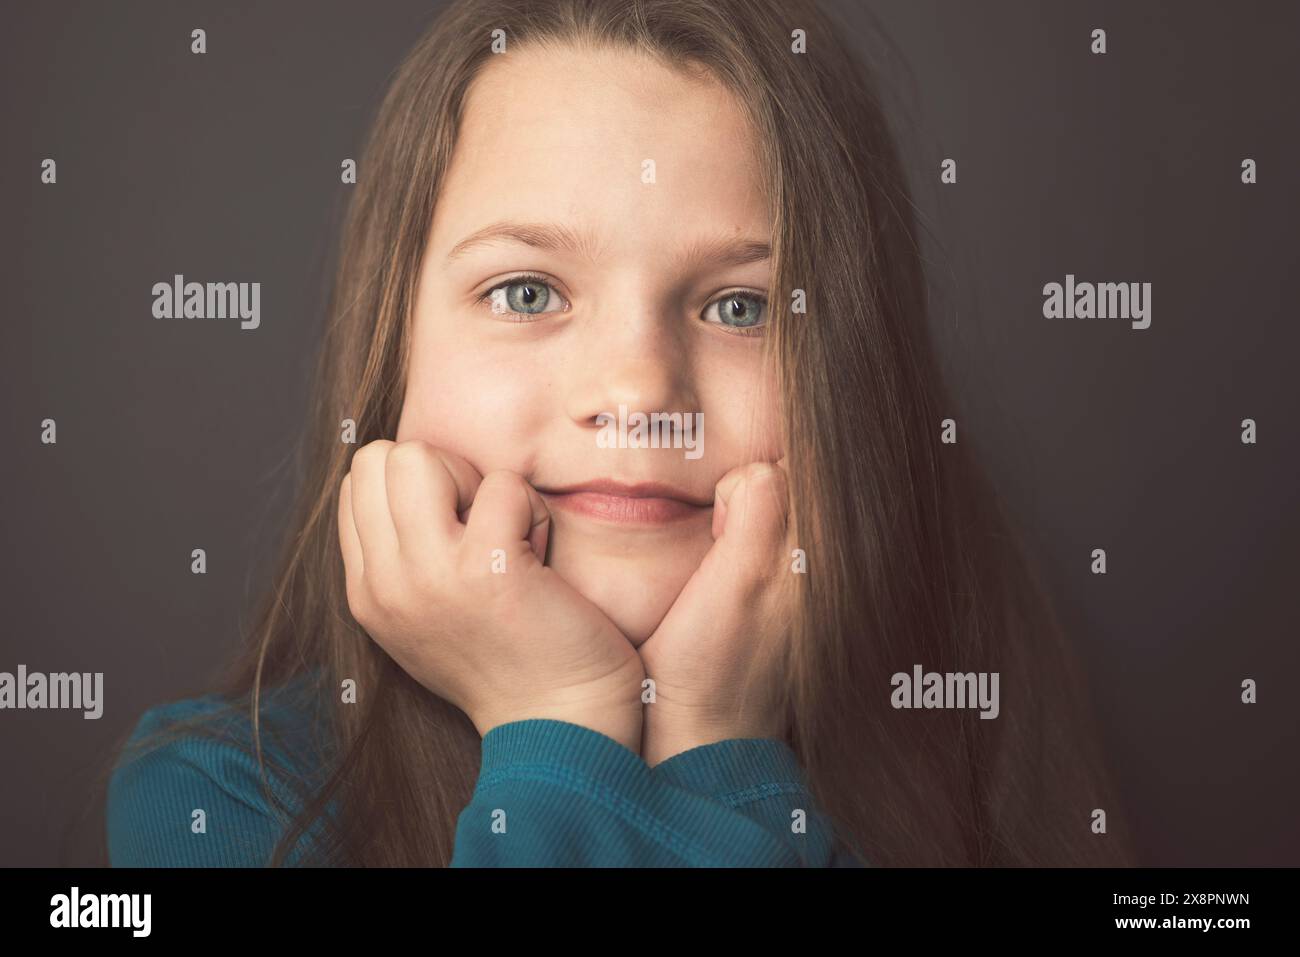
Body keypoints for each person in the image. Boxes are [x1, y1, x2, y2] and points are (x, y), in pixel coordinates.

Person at [106, 0, 1133, 868]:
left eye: (740, 307)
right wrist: (560, 721)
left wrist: (716, 757)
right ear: (393, 352)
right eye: (525, 290)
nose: (639, 391)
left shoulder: (981, 786)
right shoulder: (222, 801)